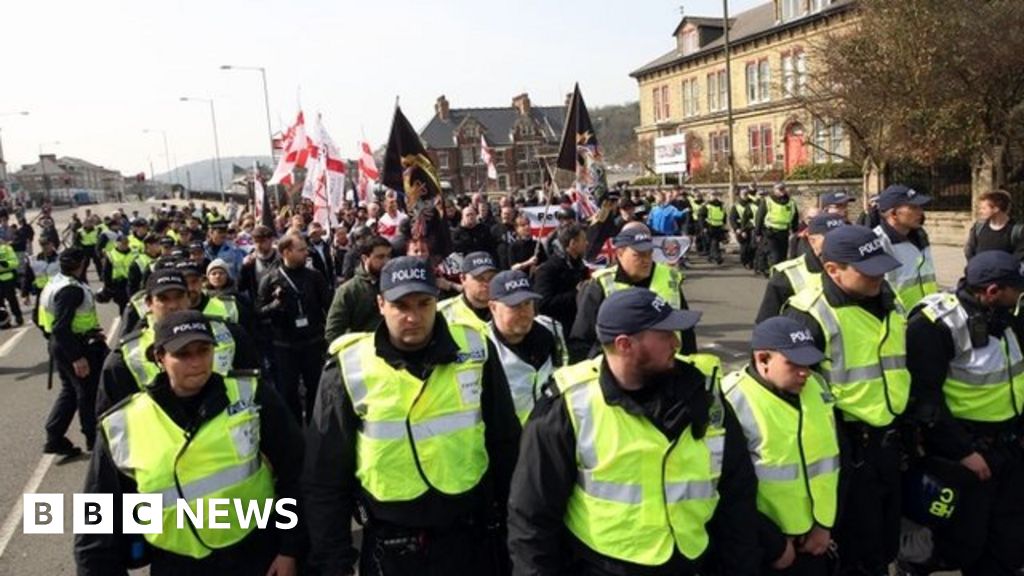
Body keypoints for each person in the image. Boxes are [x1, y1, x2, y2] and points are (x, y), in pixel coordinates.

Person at [508, 288, 760, 575]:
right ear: (625, 344)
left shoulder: (706, 394)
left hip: (692, 563)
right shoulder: (568, 407)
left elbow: (737, 495)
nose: (677, 342)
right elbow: (532, 518)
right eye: (665, 334)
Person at [303, 256, 520, 575]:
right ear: (380, 304)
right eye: (401, 305)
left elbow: (505, 443)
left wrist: (516, 533)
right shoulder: (348, 368)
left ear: (437, 300)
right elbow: (324, 478)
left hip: (471, 540)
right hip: (391, 546)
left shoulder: (475, 349)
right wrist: (334, 561)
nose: (413, 316)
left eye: (423, 303)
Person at [75, 310, 305, 575]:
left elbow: (295, 471)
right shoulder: (122, 425)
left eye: (203, 350)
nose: (196, 362)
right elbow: (97, 523)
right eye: (183, 354)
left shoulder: (251, 394)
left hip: (257, 553)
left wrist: (291, 549)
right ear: (160, 357)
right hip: (178, 563)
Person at [782, 225, 909, 575]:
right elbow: (789, 398)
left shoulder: (889, 300)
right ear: (832, 270)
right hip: (845, 448)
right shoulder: (808, 314)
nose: (879, 277)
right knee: (853, 549)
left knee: (885, 543)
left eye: (882, 268)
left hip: (889, 440)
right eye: (867, 271)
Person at [905, 250, 1024, 575]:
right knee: (959, 541)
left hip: (1007, 446)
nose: (1021, 294)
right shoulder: (936, 325)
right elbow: (924, 400)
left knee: (1006, 540)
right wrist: (964, 452)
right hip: (964, 452)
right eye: (1017, 288)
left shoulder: (1004, 318)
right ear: (993, 291)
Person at [722, 317, 840, 575]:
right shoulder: (732, 399)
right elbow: (726, 491)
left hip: (814, 541)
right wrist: (773, 544)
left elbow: (830, 463)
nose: (804, 372)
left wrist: (824, 526)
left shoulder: (817, 387)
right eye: (794, 364)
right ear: (763, 359)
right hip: (763, 548)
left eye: (808, 363)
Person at [98, 268, 258, 415]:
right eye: (163, 299)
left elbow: (255, 387)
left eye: (179, 296)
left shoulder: (229, 333)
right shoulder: (125, 356)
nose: (173, 306)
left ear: (189, 298)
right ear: (148, 303)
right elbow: (113, 421)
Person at [571, 223, 696, 362]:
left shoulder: (670, 277)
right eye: (639, 255)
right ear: (620, 253)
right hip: (622, 375)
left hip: (668, 368)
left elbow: (686, 333)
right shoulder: (600, 284)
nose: (647, 260)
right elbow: (581, 341)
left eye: (650, 254)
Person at [38, 247, 108, 455]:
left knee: (70, 390)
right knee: (87, 392)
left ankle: (54, 435)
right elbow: (61, 325)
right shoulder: (71, 290)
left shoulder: (54, 282)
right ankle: (93, 439)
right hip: (76, 346)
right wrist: (77, 356)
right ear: (82, 263)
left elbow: (40, 319)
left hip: (62, 343)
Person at [256, 233, 331, 424]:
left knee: (315, 387)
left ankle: (316, 428)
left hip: (312, 343)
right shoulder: (270, 279)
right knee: (289, 391)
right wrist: (275, 305)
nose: (306, 253)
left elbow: (329, 306)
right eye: (301, 250)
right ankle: (295, 430)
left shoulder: (314, 276)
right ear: (286, 252)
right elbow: (258, 312)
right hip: (284, 346)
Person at [486, 270, 568, 424]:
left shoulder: (552, 329)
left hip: (550, 433)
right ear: (493, 307)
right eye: (515, 306)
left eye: (528, 303)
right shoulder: (482, 344)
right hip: (509, 441)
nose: (524, 312)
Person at [756, 214, 846, 323]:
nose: (841, 243)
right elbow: (767, 323)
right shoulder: (786, 275)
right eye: (831, 238)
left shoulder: (857, 269)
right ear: (812, 241)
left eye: (845, 237)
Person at [873, 184, 938, 311]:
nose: (920, 212)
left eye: (920, 207)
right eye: (913, 207)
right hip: (901, 320)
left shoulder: (920, 235)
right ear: (894, 214)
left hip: (928, 314)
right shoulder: (878, 242)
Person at [324, 235, 391, 343]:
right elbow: (333, 332)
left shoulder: (393, 284)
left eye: (388, 256)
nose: (386, 261)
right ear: (365, 258)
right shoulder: (348, 290)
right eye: (380, 257)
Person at [534, 223, 588, 334]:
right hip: (558, 330)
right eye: (583, 240)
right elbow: (543, 304)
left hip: (579, 328)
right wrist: (576, 293)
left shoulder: (581, 267)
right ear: (573, 243)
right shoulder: (547, 270)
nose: (587, 243)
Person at [438, 251, 497, 331]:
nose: (487, 283)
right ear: (463, 279)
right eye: (480, 278)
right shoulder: (444, 313)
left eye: (491, 278)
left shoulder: (505, 309)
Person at [964, 189, 1024, 260]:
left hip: (1005, 270)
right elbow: (969, 251)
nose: (980, 211)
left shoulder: (1018, 231)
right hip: (980, 270)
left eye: (983, 208)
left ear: (996, 209)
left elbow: (1019, 256)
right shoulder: (978, 228)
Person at [756, 182, 800, 269]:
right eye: (779, 189)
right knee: (774, 256)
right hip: (770, 232)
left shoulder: (791, 202)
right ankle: (773, 275)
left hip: (784, 232)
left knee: (782, 256)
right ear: (774, 190)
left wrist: (795, 231)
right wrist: (758, 232)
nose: (782, 191)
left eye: (783, 189)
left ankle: (779, 275)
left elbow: (795, 217)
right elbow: (759, 217)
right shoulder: (768, 201)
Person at [20, 236, 60, 326]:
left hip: (58, 290)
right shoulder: (34, 260)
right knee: (37, 318)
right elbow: (27, 277)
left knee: (60, 315)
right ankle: (51, 335)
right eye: (42, 245)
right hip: (42, 291)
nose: (45, 247)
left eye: (47, 244)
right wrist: (25, 294)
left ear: (52, 244)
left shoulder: (60, 258)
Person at [103, 233, 136, 315]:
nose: (125, 245)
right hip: (119, 284)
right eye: (122, 243)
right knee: (123, 306)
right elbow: (106, 272)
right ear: (117, 243)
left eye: (126, 243)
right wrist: (108, 286)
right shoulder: (111, 255)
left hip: (132, 282)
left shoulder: (134, 253)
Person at [731, 186, 757, 269]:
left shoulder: (753, 204)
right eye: (744, 194)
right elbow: (732, 219)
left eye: (747, 194)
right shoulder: (736, 206)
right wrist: (737, 229)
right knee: (744, 247)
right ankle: (745, 261)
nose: (746, 196)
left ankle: (751, 262)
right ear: (740, 195)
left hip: (751, 227)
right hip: (741, 229)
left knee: (752, 246)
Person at [698, 191, 727, 265]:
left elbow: (724, 216)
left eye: (716, 195)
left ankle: (711, 257)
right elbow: (701, 217)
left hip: (719, 227)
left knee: (715, 243)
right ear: (709, 197)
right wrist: (703, 227)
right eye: (713, 195)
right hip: (709, 226)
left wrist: (724, 225)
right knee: (714, 242)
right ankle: (718, 257)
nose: (715, 197)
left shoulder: (721, 205)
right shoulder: (706, 206)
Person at [0, 234, 22, 326]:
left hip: (8, 277)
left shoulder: (7, 249)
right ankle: (4, 321)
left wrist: (5, 264)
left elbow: (15, 262)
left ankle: (18, 316)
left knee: (11, 299)